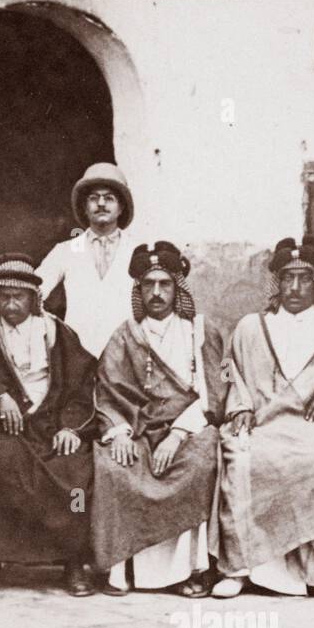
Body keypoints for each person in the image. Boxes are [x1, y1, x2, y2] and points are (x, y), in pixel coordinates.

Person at [214, 238, 314, 597]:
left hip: (309, 423)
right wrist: (238, 406)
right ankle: (240, 568)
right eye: (287, 278)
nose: (295, 287)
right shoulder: (251, 327)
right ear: (277, 282)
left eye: (304, 278)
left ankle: (311, 571)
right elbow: (230, 372)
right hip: (260, 422)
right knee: (242, 459)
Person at [91, 242, 224, 596]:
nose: (156, 293)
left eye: (164, 284)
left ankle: (189, 572)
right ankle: (121, 570)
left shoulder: (199, 331)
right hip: (137, 428)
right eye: (148, 285)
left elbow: (213, 394)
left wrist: (178, 434)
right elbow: (107, 392)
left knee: (199, 464)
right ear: (139, 290)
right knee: (114, 467)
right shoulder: (125, 336)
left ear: (177, 288)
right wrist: (118, 432)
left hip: (189, 428)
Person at [0, 252, 97, 596]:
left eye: (19, 296)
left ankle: (74, 560)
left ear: (34, 298)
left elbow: (83, 386)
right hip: (3, 425)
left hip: (52, 426)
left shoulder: (56, 331)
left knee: (77, 475)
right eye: (4, 296)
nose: (11, 304)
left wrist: (71, 428)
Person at [36, 162, 141, 356]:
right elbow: (33, 292)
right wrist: (52, 335)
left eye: (109, 198)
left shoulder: (137, 251)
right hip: (78, 359)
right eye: (94, 198)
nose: (101, 204)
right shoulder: (65, 250)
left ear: (121, 207)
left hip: (126, 356)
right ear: (85, 207)